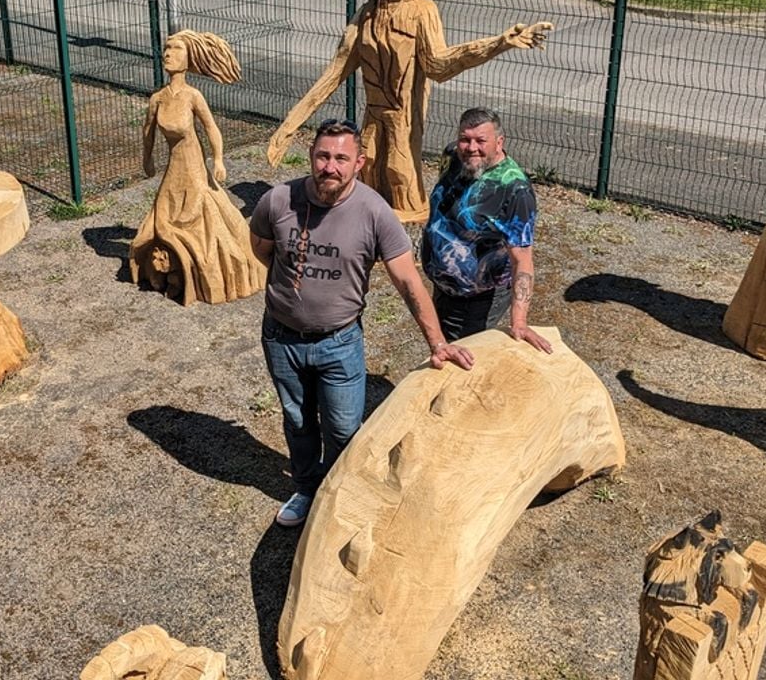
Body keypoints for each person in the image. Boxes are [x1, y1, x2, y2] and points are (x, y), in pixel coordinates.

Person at [250, 119, 474, 527]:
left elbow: (407, 280)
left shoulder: (374, 212)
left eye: (341, 158)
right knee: (298, 420)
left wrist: (437, 342)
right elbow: (264, 250)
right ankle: (306, 488)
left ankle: (339, 495)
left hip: (339, 342)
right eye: (322, 156)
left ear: (359, 163)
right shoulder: (278, 200)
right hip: (281, 338)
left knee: (344, 427)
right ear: (311, 155)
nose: (329, 167)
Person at [267, 0, 552, 224]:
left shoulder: (421, 12)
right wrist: (288, 127)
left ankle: (401, 241)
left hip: (404, 120)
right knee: (368, 171)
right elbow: (332, 75)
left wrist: (499, 42)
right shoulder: (366, 14)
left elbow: (439, 65)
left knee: (401, 175)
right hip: (373, 118)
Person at [131, 30, 265, 306]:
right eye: (166, 49)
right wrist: (147, 159)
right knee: (164, 213)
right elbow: (147, 133)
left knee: (201, 213)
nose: (167, 54)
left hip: (193, 164)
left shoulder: (193, 96)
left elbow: (211, 128)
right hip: (173, 165)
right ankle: (167, 263)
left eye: (176, 49)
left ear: (189, 58)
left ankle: (209, 272)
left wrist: (218, 159)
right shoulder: (157, 99)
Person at [421, 107, 553, 353]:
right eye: (465, 139)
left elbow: (522, 259)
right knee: (444, 349)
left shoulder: (514, 190)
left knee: (464, 360)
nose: (471, 148)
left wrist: (519, 321)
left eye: (481, 141)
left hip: (476, 299)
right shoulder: (453, 156)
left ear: (499, 142)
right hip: (444, 288)